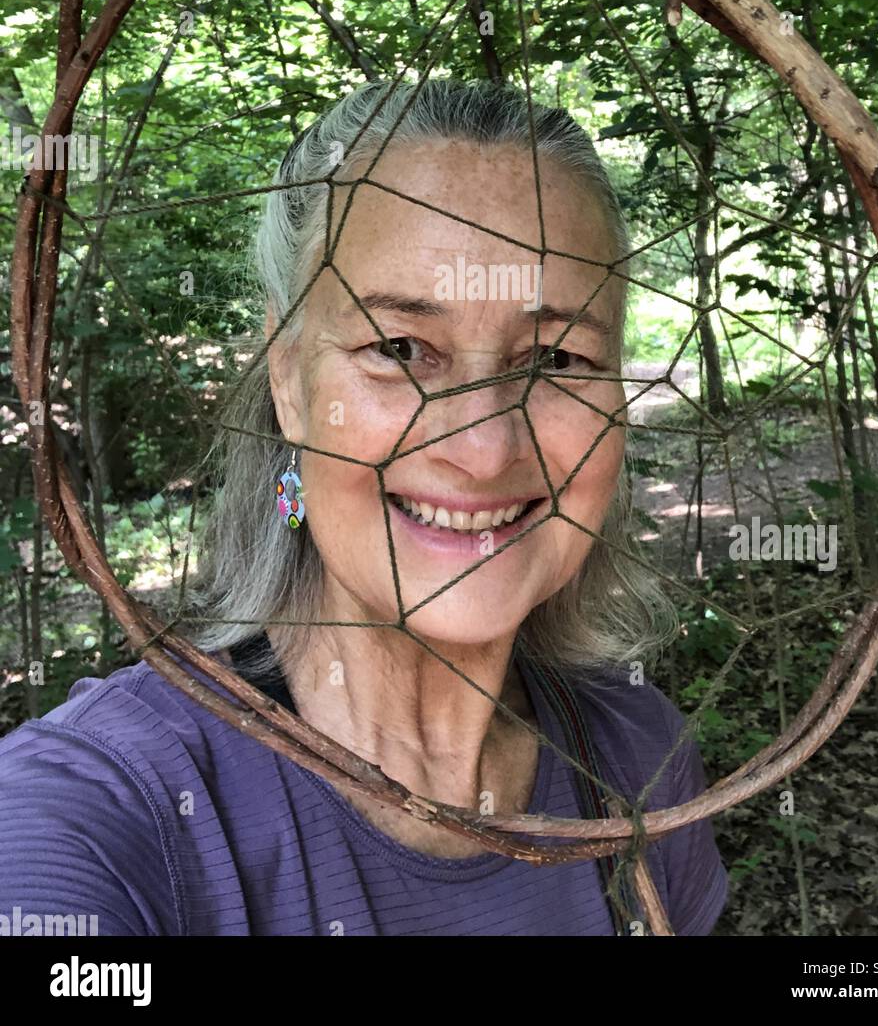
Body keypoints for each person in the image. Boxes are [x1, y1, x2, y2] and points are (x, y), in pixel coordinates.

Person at [0, 78, 727, 936]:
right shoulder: (102, 809)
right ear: (287, 379)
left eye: (556, 359)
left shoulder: (637, 756)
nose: (485, 449)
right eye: (400, 348)